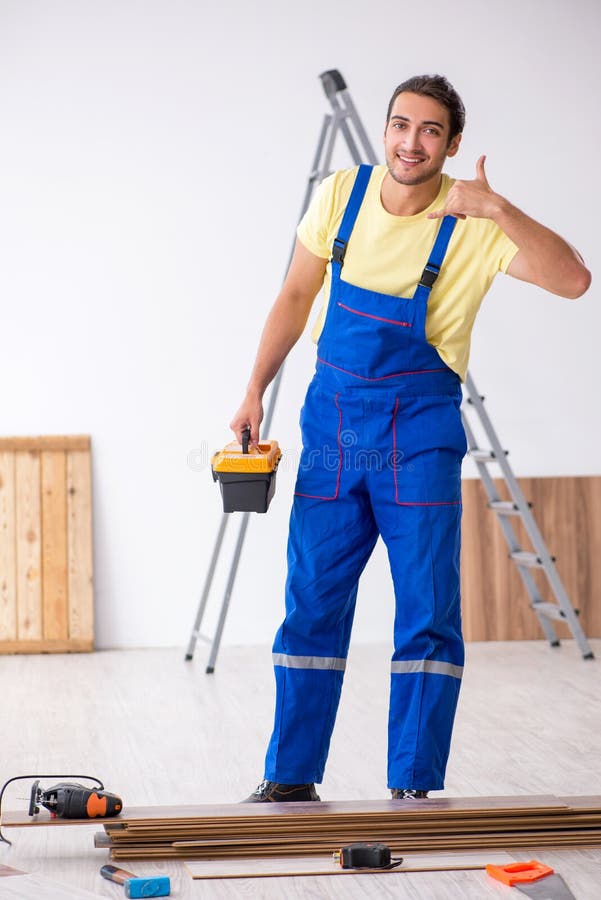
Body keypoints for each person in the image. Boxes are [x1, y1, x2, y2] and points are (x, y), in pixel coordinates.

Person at [230, 74, 591, 803]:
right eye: (401, 124)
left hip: (418, 436)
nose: (410, 142)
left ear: (451, 145)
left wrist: (495, 206)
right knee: (312, 601)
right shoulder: (342, 195)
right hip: (332, 429)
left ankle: (413, 788)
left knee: (426, 611)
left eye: (429, 131)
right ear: (386, 129)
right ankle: (289, 778)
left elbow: (574, 280)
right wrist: (253, 389)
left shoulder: (474, 224)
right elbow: (296, 296)